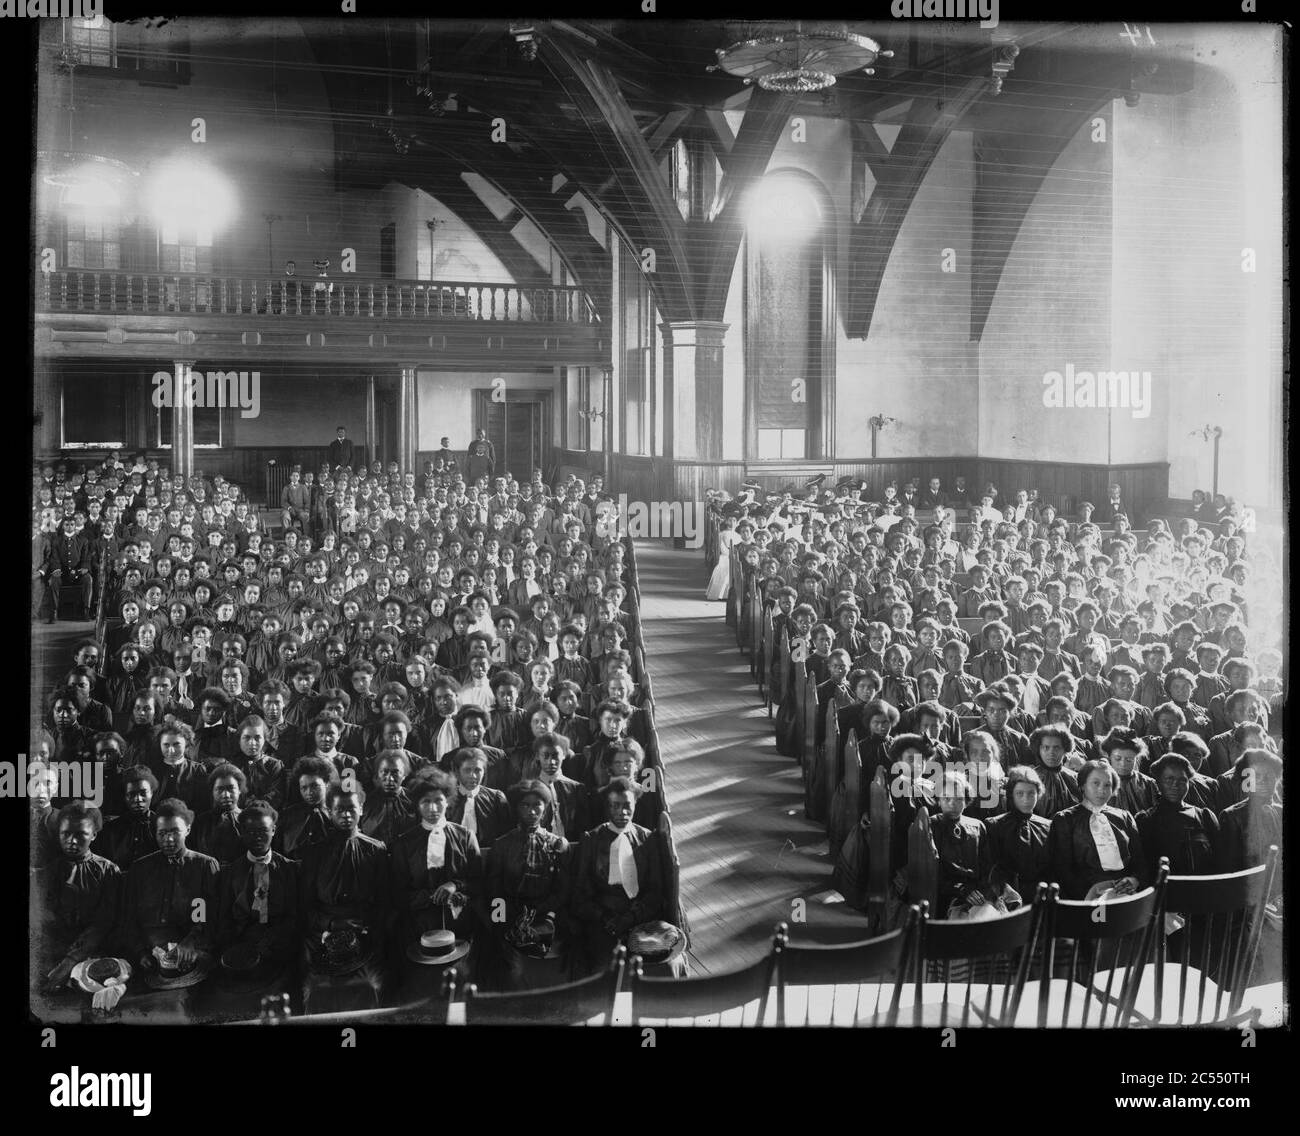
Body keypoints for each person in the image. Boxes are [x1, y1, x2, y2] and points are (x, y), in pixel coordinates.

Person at [298, 783, 391, 1008]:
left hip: (366, 934)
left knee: (373, 985)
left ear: (362, 809)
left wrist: (367, 929)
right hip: (321, 935)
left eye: (352, 808)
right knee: (312, 990)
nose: (347, 815)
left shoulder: (376, 850)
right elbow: (304, 905)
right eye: (340, 810)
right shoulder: (314, 852)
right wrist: (330, 923)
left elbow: (386, 902)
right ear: (330, 811)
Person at [571, 777, 664, 975]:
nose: (622, 812)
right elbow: (580, 894)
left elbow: (656, 891)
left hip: (640, 919)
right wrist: (605, 917)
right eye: (615, 806)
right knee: (604, 968)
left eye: (627, 805)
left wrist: (632, 917)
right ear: (607, 806)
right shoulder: (592, 839)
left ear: (635, 804)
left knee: (657, 966)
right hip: (603, 922)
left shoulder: (647, 839)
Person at [485, 780, 570, 988]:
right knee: (512, 968)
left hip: (547, 914)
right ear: (516, 808)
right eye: (525, 805)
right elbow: (494, 891)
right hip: (511, 916)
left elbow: (563, 889)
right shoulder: (502, 845)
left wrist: (544, 912)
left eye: (537, 805)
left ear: (545, 808)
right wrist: (506, 920)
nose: (532, 811)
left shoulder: (557, 844)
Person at [33, 802, 122, 998]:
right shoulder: (46, 874)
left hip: (96, 948)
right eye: (66, 834)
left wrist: (70, 961)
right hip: (54, 949)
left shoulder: (108, 871)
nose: (72, 841)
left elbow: (104, 922)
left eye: (81, 834)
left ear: (94, 835)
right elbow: (42, 922)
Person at [1047, 759, 1148, 900]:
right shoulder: (1065, 819)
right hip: (1085, 896)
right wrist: (1092, 894)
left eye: (1108, 785)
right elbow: (1062, 870)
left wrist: (1134, 880)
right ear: (1082, 785)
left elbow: (1140, 861)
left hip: (1126, 891)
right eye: (1096, 783)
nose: (1102, 790)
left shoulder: (1124, 816)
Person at [984, 766, 1052, 907]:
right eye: (1019, 794)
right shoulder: (995, 825)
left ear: (1038, 794)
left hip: (1041, 897)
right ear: (1011, 795)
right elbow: (991, 870)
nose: (1026, 799)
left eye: (1031, 793)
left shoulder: (1048, 826)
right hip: (1007, 899)